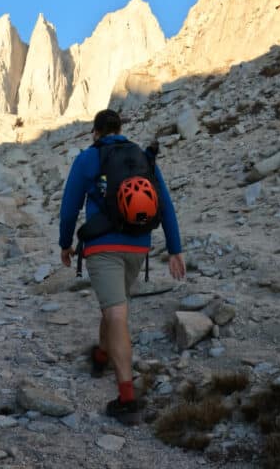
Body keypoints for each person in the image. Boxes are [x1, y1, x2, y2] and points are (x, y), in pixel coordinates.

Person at [58, 109, 186, 425]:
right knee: (114, 307)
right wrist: (174, 249)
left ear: (95, 132)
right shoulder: (140, 156)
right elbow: (165, 204)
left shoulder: (89, 158)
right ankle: (102, 356)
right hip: (138, 246)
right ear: (121, 128)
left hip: (103, 249)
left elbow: (70, 206)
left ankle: (127, 399)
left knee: (116, 313)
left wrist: (65, 243)